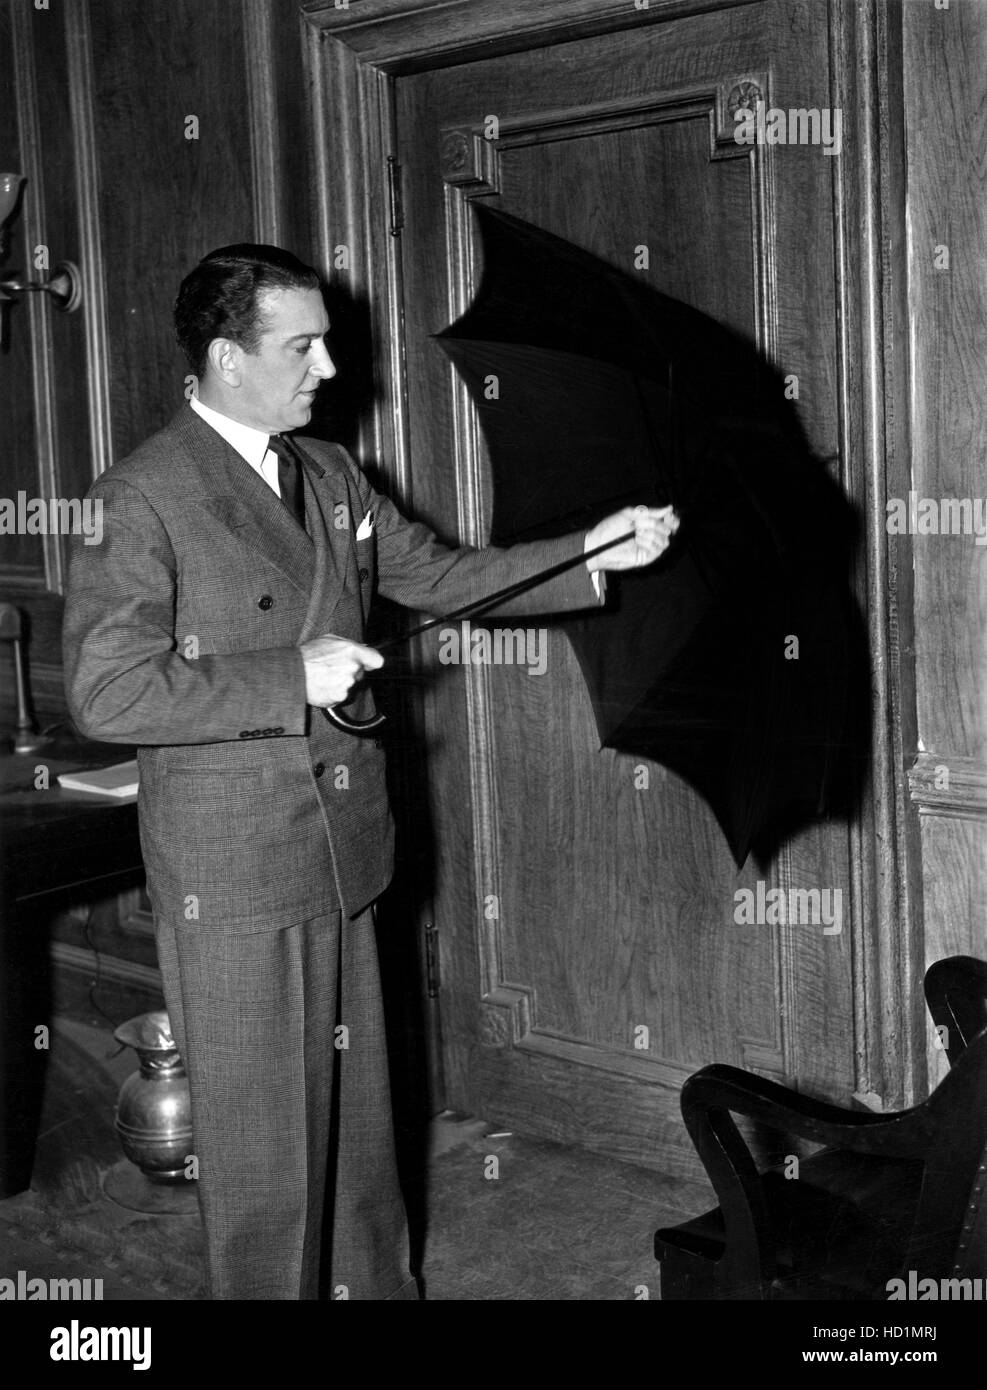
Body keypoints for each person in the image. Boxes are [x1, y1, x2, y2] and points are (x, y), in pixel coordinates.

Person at [62, 244, 679, 1300]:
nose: (329, 366)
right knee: (264, 1161)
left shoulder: (330, 473)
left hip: (345, 844)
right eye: (302, 345)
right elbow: (106, 693)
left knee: (358, 1134)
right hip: (235, 867)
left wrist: (590, 550)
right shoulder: (145, 495)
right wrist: (283, 675)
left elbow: (438, 574)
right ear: (224, 356)